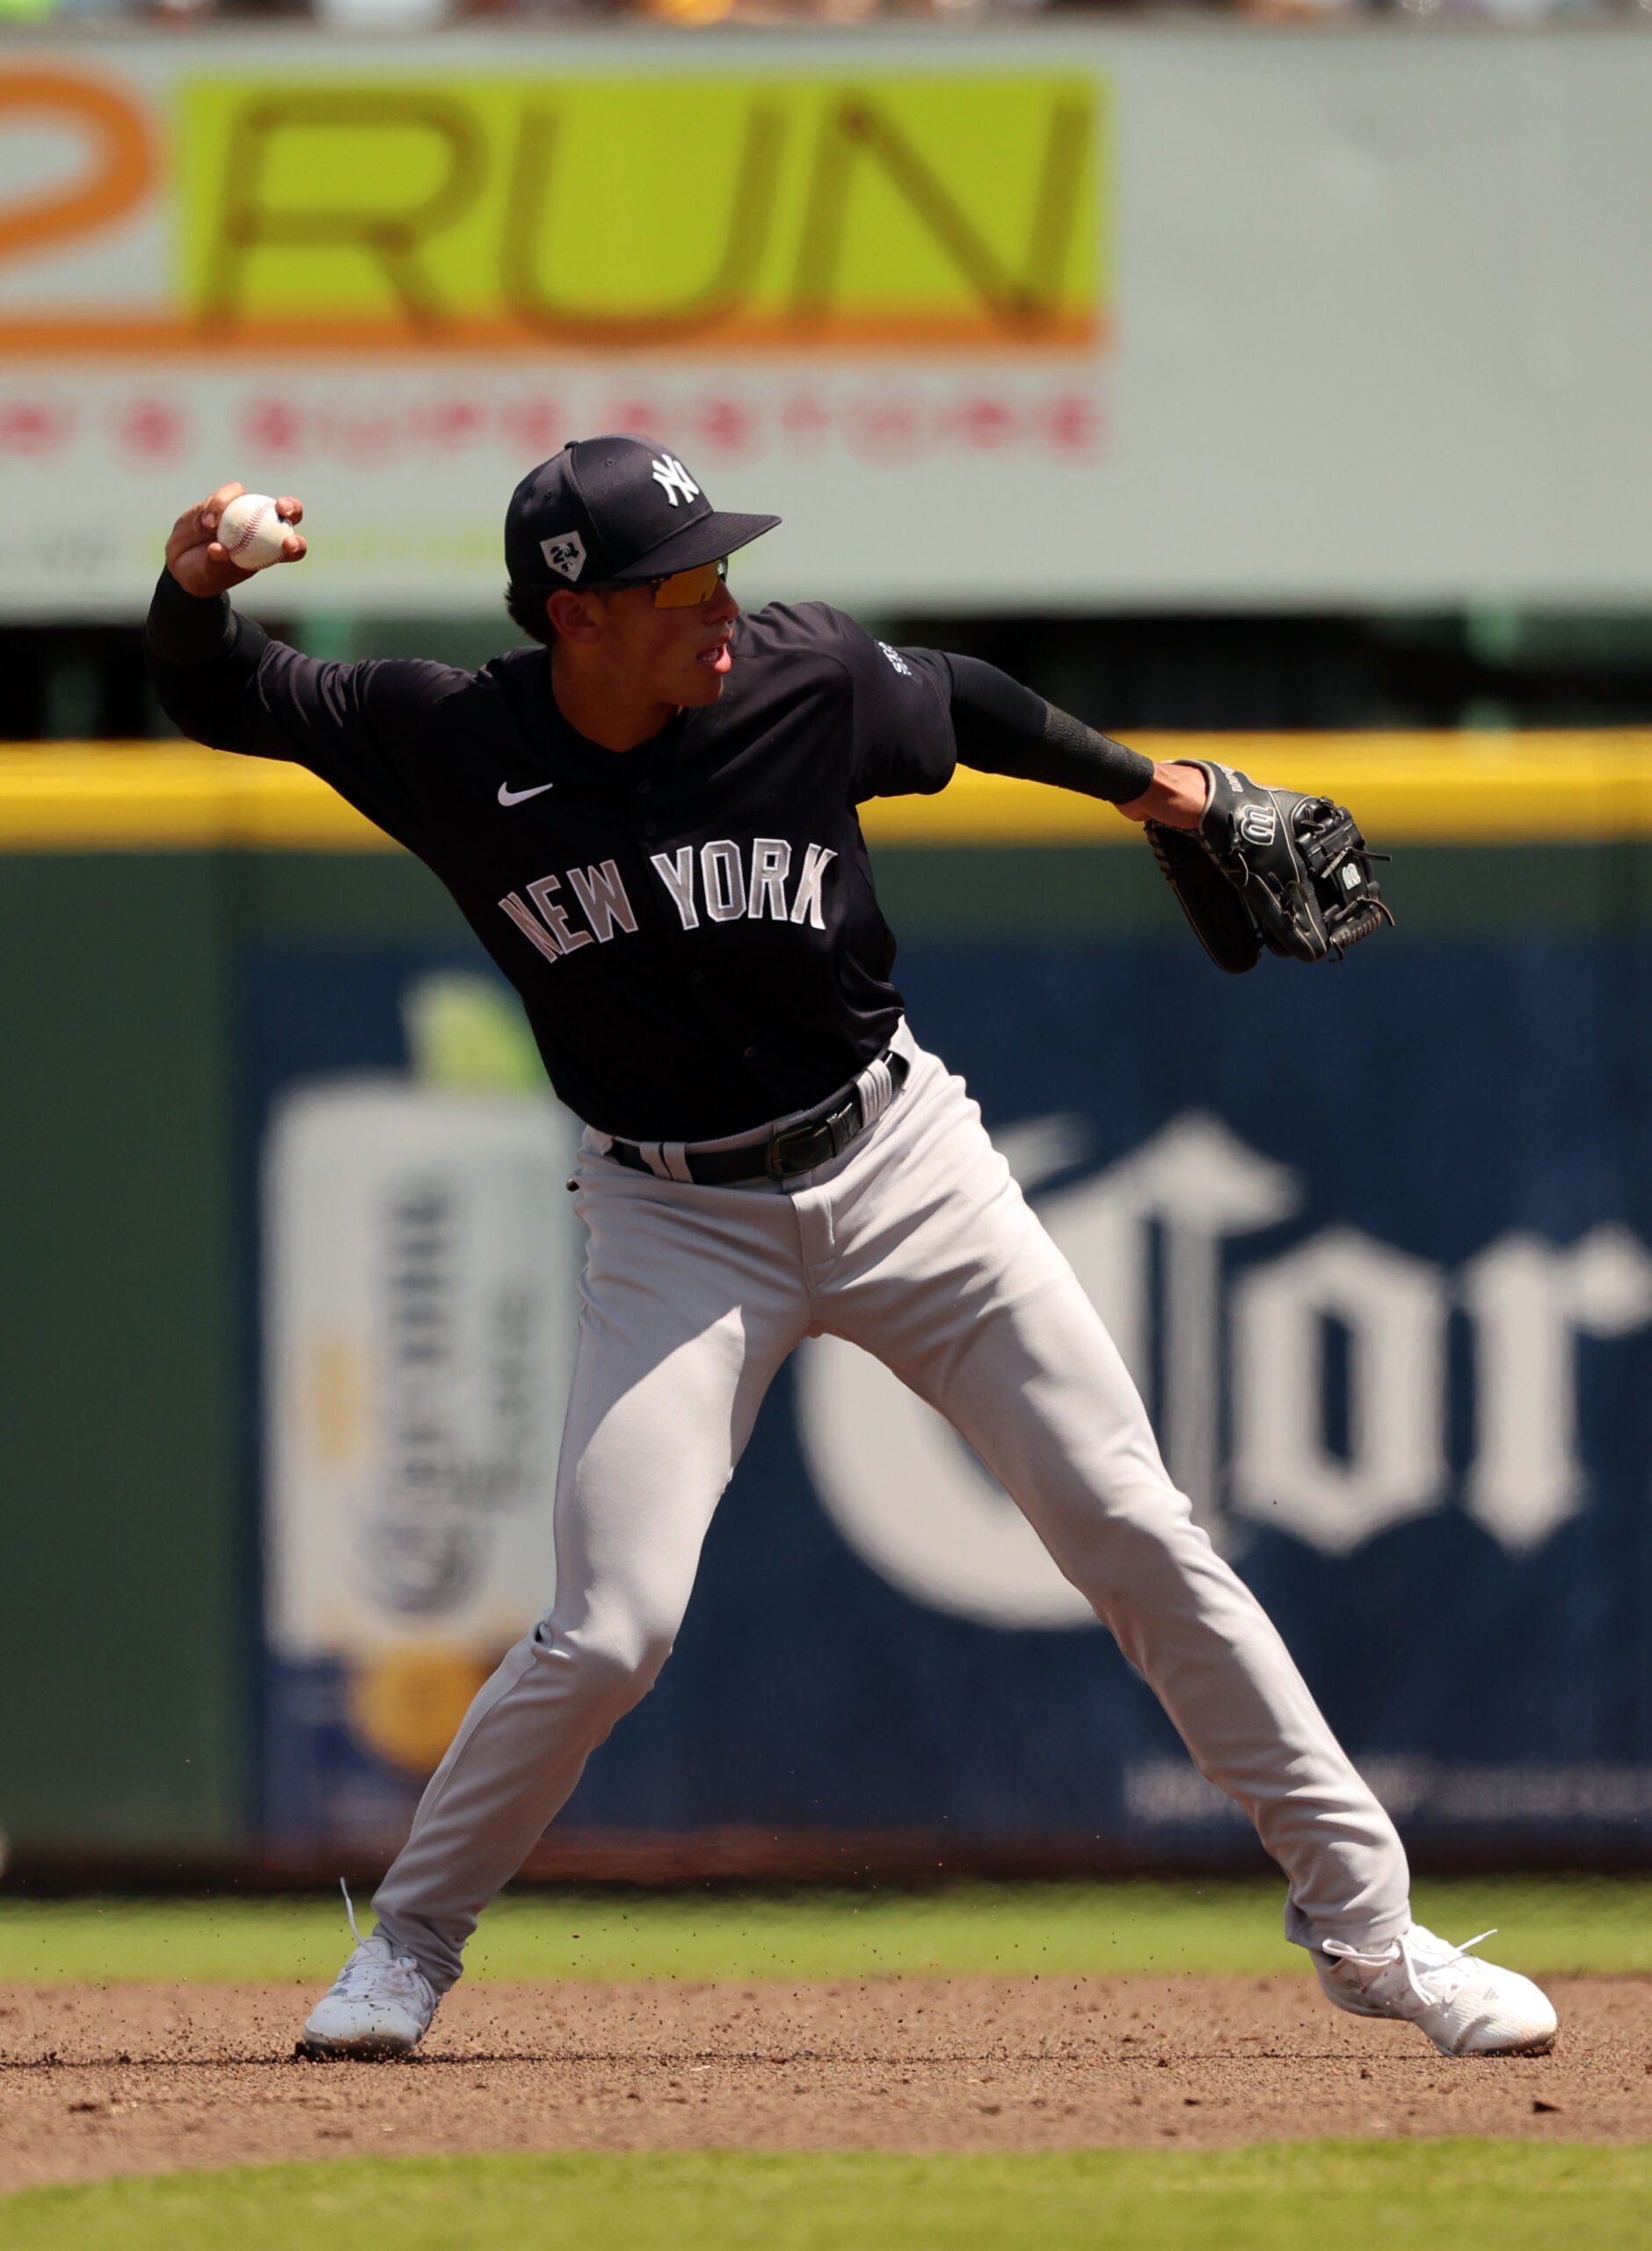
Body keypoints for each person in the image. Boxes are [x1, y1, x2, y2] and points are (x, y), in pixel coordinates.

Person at [146, 436, 1557, 2065]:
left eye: (725, 573)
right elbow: (221, 691)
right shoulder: (445, 738)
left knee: (1135, 1528)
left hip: (903, 1165)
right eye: (684, 589)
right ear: (575, 616)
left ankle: (1376, 1935)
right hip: (671, 1218)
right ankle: (409, 1946)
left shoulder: (801, 678)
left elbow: (957, 696)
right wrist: (192, 585)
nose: (723, 609)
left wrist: (1150, 782)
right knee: (612, 1629)